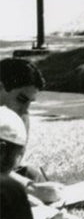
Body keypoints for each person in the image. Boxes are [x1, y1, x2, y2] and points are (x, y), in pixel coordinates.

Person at [0, 58, 62, 205]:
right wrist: (30, 188)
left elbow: (8, 166)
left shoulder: (20, 117)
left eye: (29, 102)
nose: (25, 109)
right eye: (21, 99)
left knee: (33, 174)